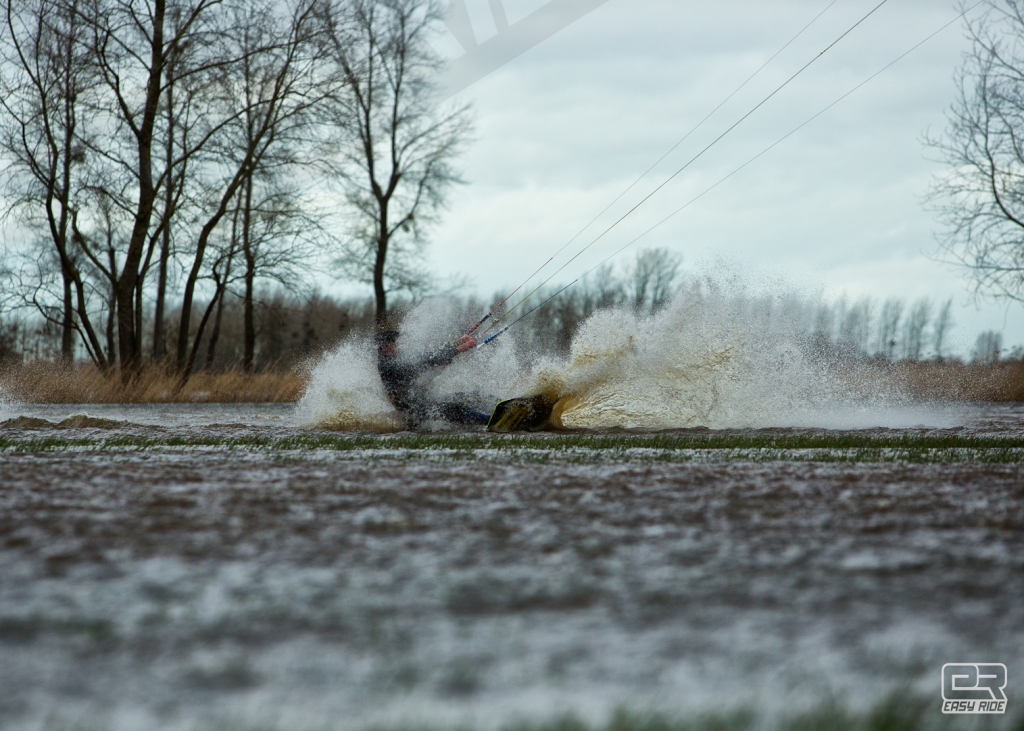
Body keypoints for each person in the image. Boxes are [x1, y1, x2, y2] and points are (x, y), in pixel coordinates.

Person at [375, 329, 491, 428]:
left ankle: (500, 409)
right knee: (457, 408)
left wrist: (456, 342)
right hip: (416, 411)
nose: (398, 345)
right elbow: (426, 362)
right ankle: (491, 421)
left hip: (423, 403)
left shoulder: (394, 360)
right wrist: (458, 349)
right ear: (384, 347)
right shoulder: (388, 365)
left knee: (469, 396)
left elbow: (429, 355)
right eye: (395, 342)